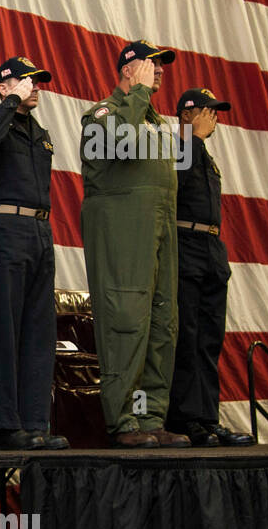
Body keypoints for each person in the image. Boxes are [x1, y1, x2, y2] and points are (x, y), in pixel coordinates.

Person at [78, 42, 190, 448]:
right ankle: (123, 421)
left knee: (162, 321)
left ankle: (149, 416)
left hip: (160, 227)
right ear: (129, 69)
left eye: (161, 65)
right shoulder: (102, 114)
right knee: (126, 316)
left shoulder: (157, 122)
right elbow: (120, 146)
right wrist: (138, 95)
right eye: (152, 64)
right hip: (122, 228)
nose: (160, 71)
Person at [0, 57, 69, 451]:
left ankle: (34, 422)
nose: (35, 86)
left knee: (39, 330)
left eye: (37, 80)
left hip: (39, 231)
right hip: (3, 231)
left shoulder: (40, 133)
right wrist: (11, 103)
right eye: (26, 80)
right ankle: (5, 423)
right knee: (3, 325)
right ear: (3, 86)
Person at [166, 89, 255, 446]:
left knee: (209, 339)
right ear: (187, 116)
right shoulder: (177, 147)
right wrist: (193, 140)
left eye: (216, 111)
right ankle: (185, 419)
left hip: (211, 250)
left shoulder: (205, 155)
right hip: (185, 247)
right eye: (207, 111)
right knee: (186, 337)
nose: (214, 117)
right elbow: (175, 186)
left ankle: (207, 416)